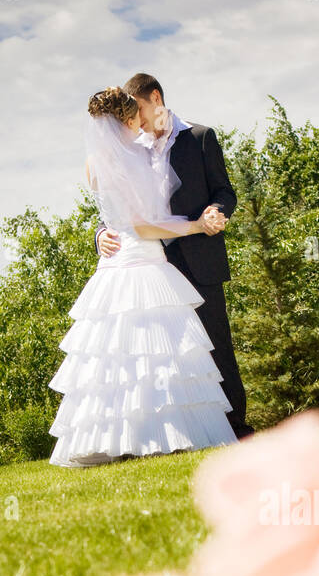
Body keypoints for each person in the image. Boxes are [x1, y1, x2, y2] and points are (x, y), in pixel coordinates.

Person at [48, 86, 237, 468]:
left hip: (125, 266)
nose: (141, 122)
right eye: (134, 116)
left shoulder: (96, 160)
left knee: (120, 356)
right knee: (160, 350)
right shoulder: (131, 157)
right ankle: (163, 434)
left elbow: (122, 212)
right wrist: (196, 226)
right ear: (128, 119)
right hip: (145, 258)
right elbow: (141, 224)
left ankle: (121, 437)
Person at [96, 72, 252, 438]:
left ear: (156, 98)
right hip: (152, 264)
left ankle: (236, 429)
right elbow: (116, 205)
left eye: (137, 109)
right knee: (168, 356)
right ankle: (186, 433)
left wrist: (216, 211)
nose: (135, 120)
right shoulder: (131, 148)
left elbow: (225, 191)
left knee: (215, 346)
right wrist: (100, 232)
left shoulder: (200, 137)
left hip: (200, 259)